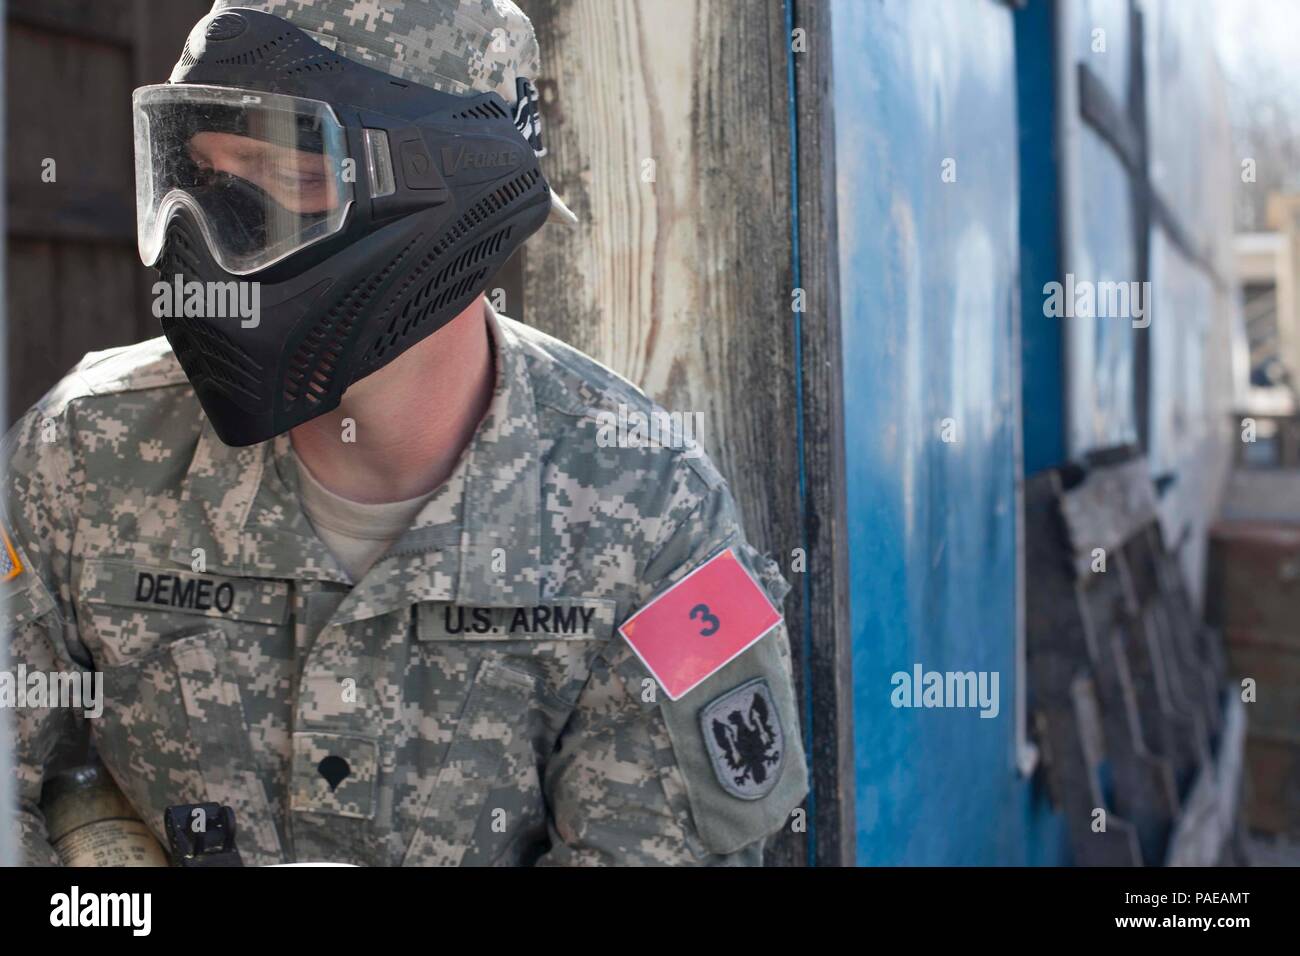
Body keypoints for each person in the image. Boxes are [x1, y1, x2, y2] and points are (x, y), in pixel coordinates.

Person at [3, 0, 806, 866]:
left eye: (289, 178)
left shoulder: (654, 511)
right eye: (200, 176)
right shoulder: (82, 450)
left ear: (462, 190)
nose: (210, 236)